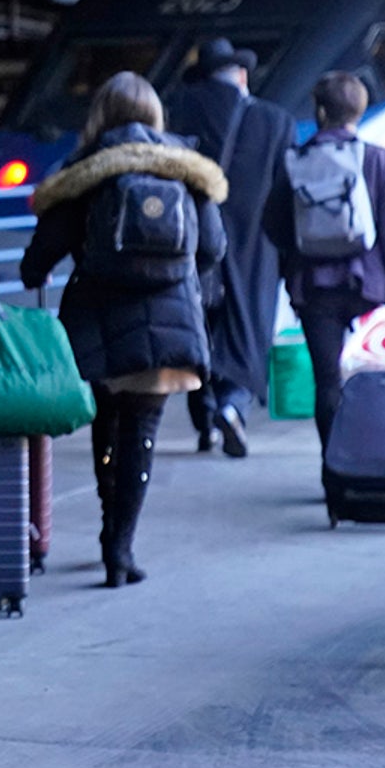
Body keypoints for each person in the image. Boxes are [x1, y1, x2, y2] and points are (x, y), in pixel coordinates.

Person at [19, 72, 227, 587]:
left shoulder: (83, 172)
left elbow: (39, 257)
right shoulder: (184, 168)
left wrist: (45, 270)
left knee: (106, 425)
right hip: (168, 316)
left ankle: (107, 524)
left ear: (100, 116)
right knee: (142, 433)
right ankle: (120, 548)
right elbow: (213, 248)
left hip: (97, 315)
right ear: (155, 115)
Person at [268, 70, 385, 450]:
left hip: (314, 290)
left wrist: (297, 261)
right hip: (371, 287)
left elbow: (273, 225)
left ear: (319, 111)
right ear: (360, 111)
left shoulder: (295, 161)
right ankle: (371, 466)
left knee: (328, 384)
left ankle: (334, 474)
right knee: (373, 379)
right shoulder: (378, 160)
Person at [167, 37, 296, 458]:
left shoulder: (178, 113)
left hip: (190, 242)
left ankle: (205, 424)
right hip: (254, 248)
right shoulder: (275, 121)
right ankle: (231, 404)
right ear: (241, 76)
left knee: (196, 328)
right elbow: (285, 194)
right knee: (246, 330)